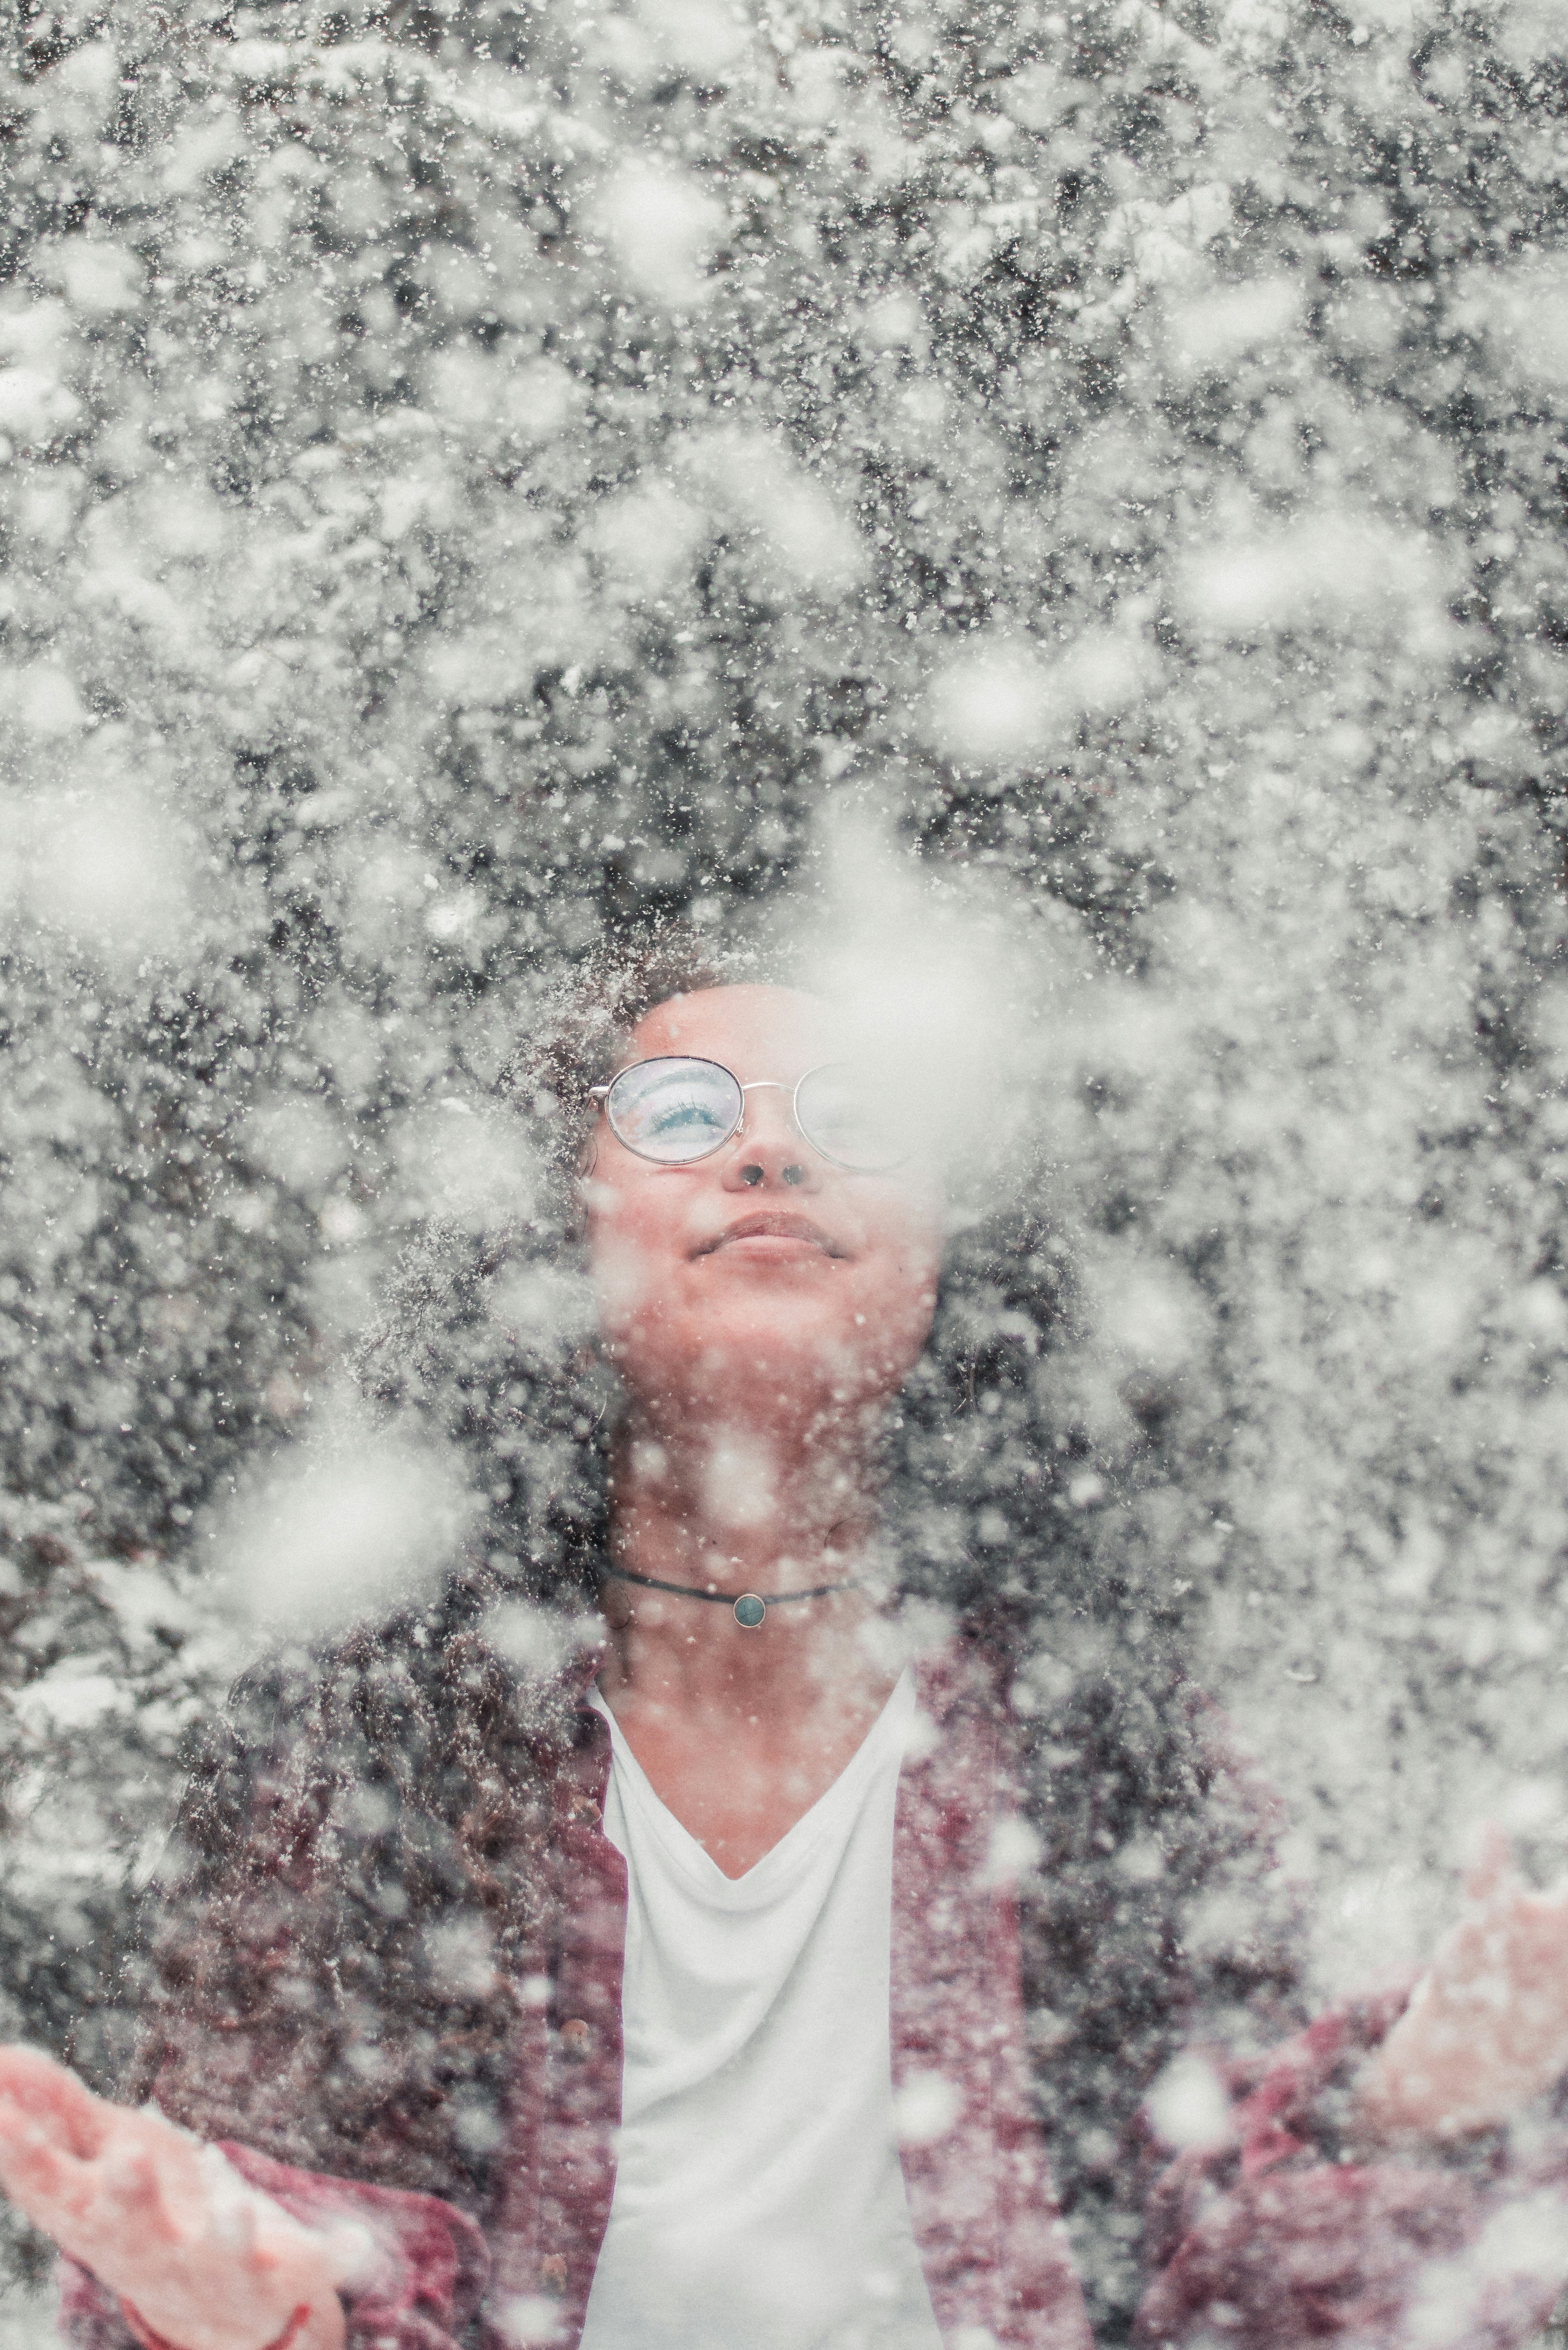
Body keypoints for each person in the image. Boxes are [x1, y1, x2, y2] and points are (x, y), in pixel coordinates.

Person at [2, 945, 1568, 2350]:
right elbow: (280, 2244)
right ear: (568, 1233)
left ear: (941, 1252)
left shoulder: (1106, 1744)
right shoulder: (374, 1743)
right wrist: (237, 2314)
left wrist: (1427, 2098)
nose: (770, 1146)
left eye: (856, 1116)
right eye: (681, 1113)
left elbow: (1230, 2290)